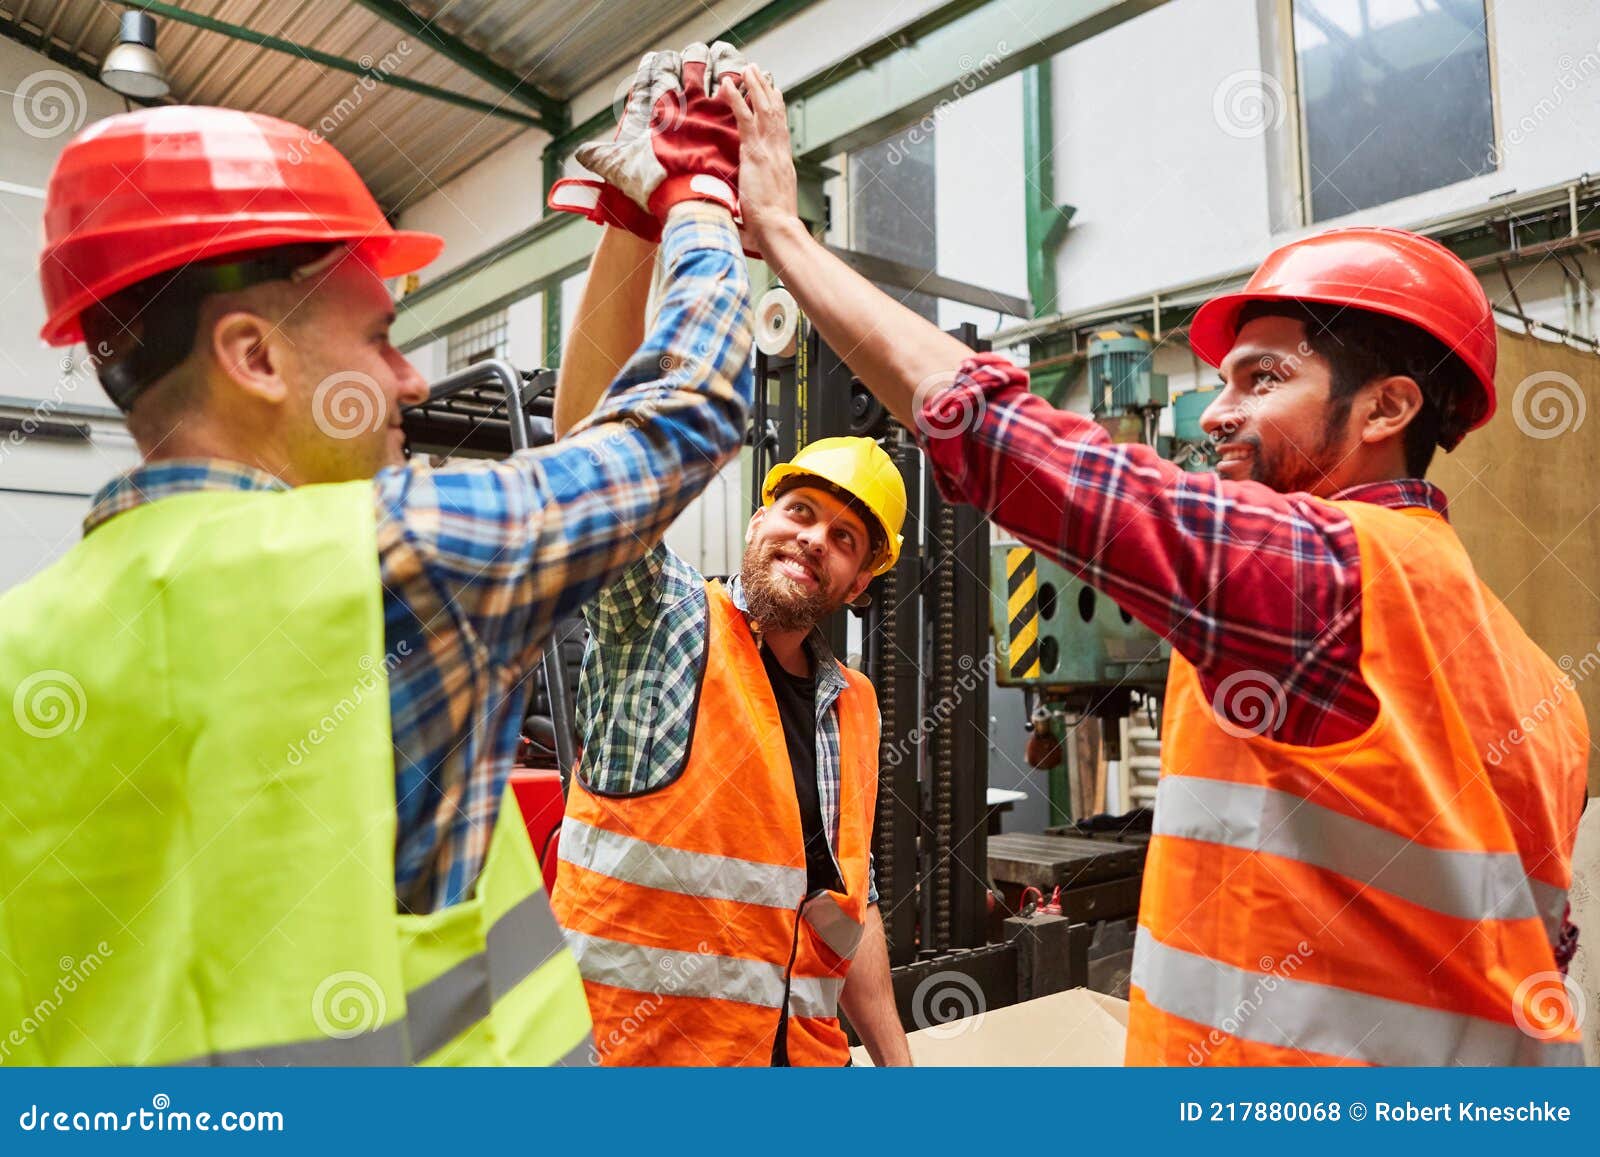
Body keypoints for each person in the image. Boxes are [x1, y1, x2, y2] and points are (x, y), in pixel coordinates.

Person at [722, 67, 1588, 1067]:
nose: (1217, 413)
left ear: (1387, 407)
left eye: (1263, 379)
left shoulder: (1329, 575)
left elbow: (1010, 444)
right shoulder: (1540, 688)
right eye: (1222, 381)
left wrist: (783, 234)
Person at [0, 71, 751, 1067]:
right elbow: (685, 413)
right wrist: (699, 197)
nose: (412, 379)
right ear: (255, 357)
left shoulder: (21, 644)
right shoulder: (391, 556)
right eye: (380, 337)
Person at [545, 78, 910, 1060]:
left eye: (845, 537)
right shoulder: (664, 624)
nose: (814, 538)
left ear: (860, 583)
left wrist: (902, 1069)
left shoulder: (853, 708)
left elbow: (848, 909)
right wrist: (634, 222)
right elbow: (592, 455)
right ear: (758, 521)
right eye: (800, 511)